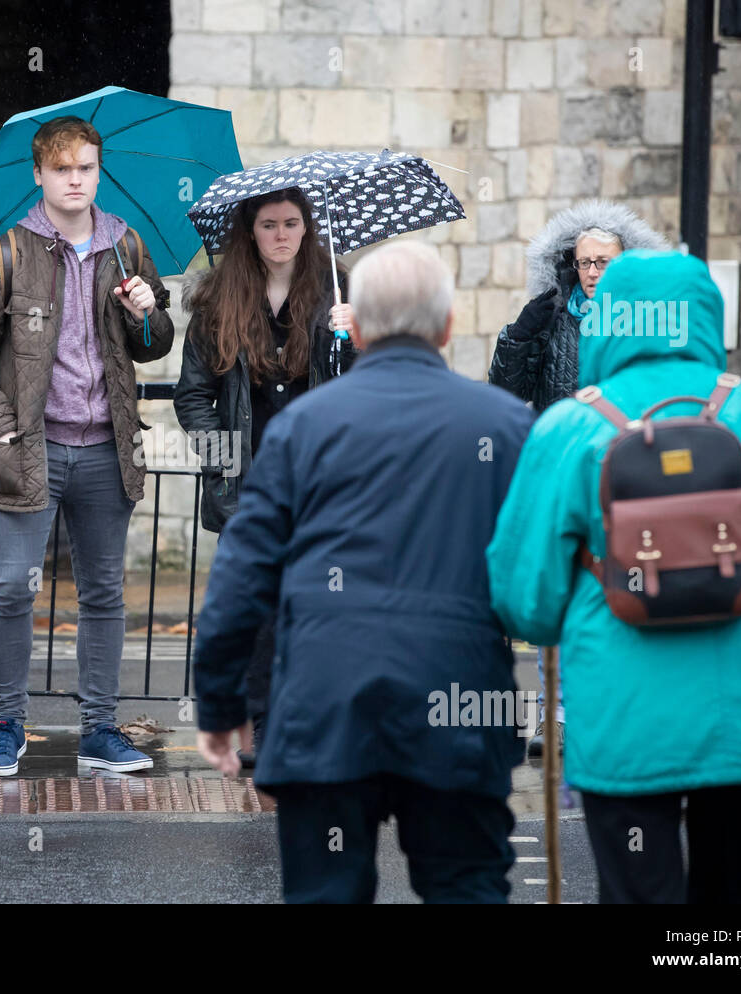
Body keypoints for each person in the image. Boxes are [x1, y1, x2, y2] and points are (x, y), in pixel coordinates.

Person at [486, 249, 741, 904]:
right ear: (706, 315)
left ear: (607, 320)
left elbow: (523, 602)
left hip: (623, 727)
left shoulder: (570, 426)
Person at [193, 241, 536, 903]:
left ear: (357, 326)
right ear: (448, 325)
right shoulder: (506, 423)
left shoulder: (301, 426)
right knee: (466, 886)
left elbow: (242, 576)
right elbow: (538, 577)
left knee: (326, 890)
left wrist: (220, 703)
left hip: (326, 701)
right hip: (459, 701)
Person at [0, 116, 175, 777]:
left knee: (103, 592)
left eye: (87, 169)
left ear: (99, 173)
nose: (76, 180)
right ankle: (6, 726)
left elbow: (157, 343)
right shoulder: (6, 253)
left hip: (107, 448)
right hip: (29, 451)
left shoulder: (125, 248)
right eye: (63, 169)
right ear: (38, 175)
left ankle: (100, 730)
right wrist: (3, 426)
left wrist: (145, 312)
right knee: (13, 588)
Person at [173, 186, 356, 759]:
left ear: (308, 229)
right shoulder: (219, 302)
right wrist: (227, 463)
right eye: (269, 224)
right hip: (246, 481)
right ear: (249, 232)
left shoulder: (341, 291)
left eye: (292, 224)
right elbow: (193, 396)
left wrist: (353, 336)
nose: (281, 235)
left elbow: (362, 389)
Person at [487, 200, 668, 757]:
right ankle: (555, 715)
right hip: (563, 476)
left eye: (604, 262)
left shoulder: (646, 319)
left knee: (624, 594)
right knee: (562, 596)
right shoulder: (549, 316)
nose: (593, 272)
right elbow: (504, 389)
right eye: (585, 262)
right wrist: (520, 334)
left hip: (627, 476)